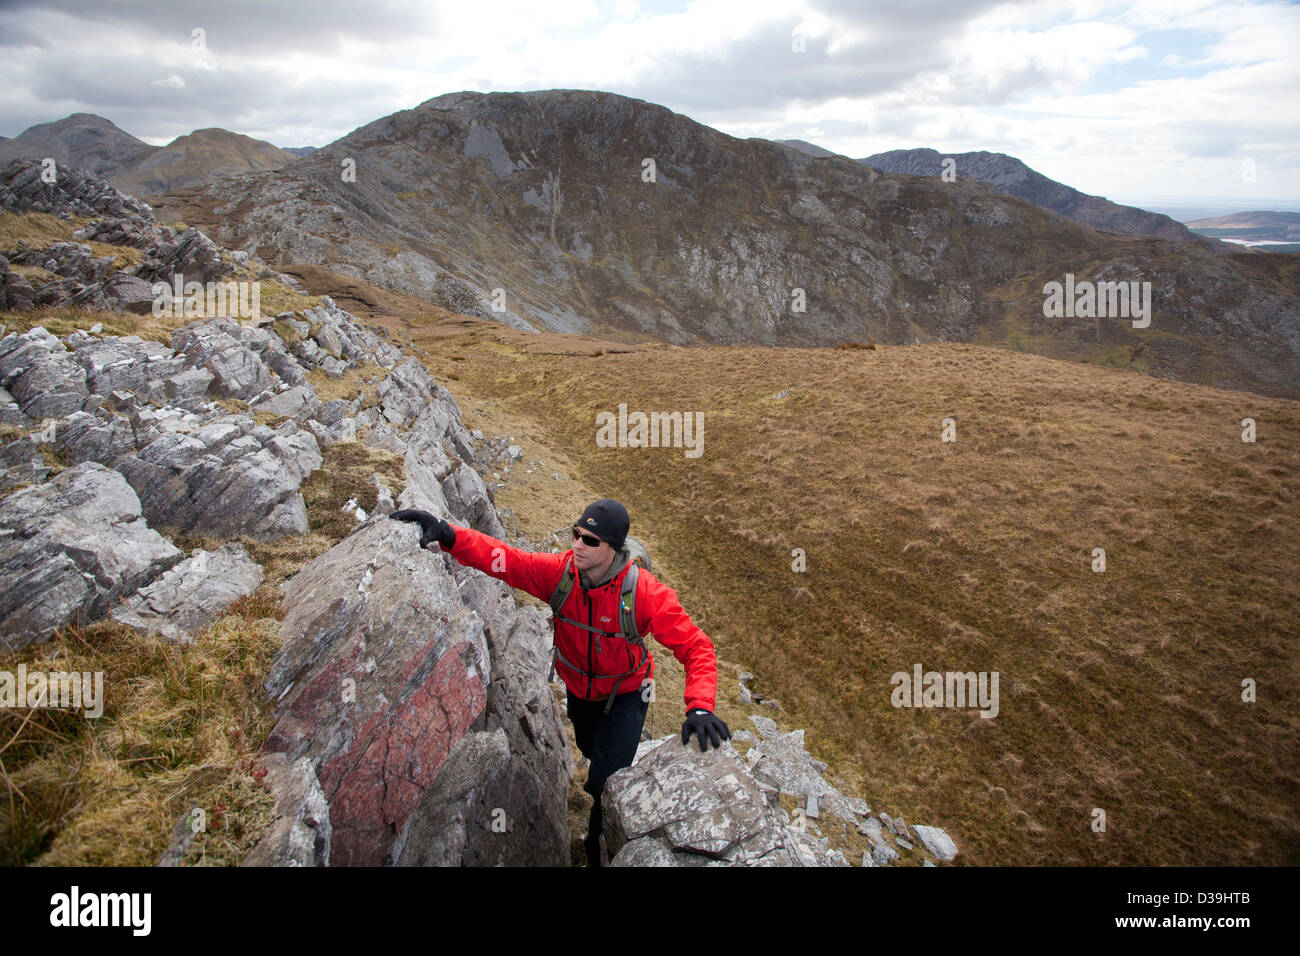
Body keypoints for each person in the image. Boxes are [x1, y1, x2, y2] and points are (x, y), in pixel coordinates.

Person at [391, 498, 729, 866]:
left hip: (627, 696)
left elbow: (696, 646)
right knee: (587, 744)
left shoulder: (643, 594)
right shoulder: (561, 574)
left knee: (606, 785)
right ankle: (597, 770)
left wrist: (699, 706)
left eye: (590, 541)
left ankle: (596, 851)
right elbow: (506, 560)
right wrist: (449, 534)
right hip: (579, 693)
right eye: (576, 534)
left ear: (613, 549)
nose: (577, 545)